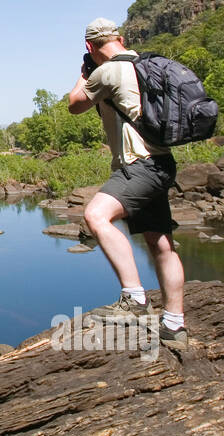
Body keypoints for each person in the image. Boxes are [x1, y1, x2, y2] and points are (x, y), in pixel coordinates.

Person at [66, 17, 187, 347]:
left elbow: (74, 105)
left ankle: (134, 298)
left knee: (96, 216)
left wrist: (83, 75)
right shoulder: (148, 64)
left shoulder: (106, 72)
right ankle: (175, 324)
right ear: (121, 37)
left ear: (90, 47)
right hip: (162, 163)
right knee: (160, 243)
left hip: (137, 166)